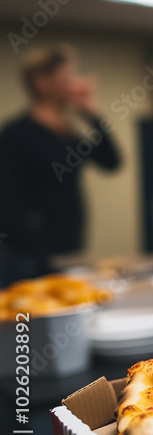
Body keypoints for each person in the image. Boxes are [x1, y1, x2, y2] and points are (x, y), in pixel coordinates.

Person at [0, 44, 120, 286]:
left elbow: (111, 161)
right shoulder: (17, 133)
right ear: (41, 81)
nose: (73, 85)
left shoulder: (69, 134)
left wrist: (90, 112)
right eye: (65, 79)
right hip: (30, 255)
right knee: (30, 318)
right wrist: (36, 251)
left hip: (70, 247)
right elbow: (8, 202)